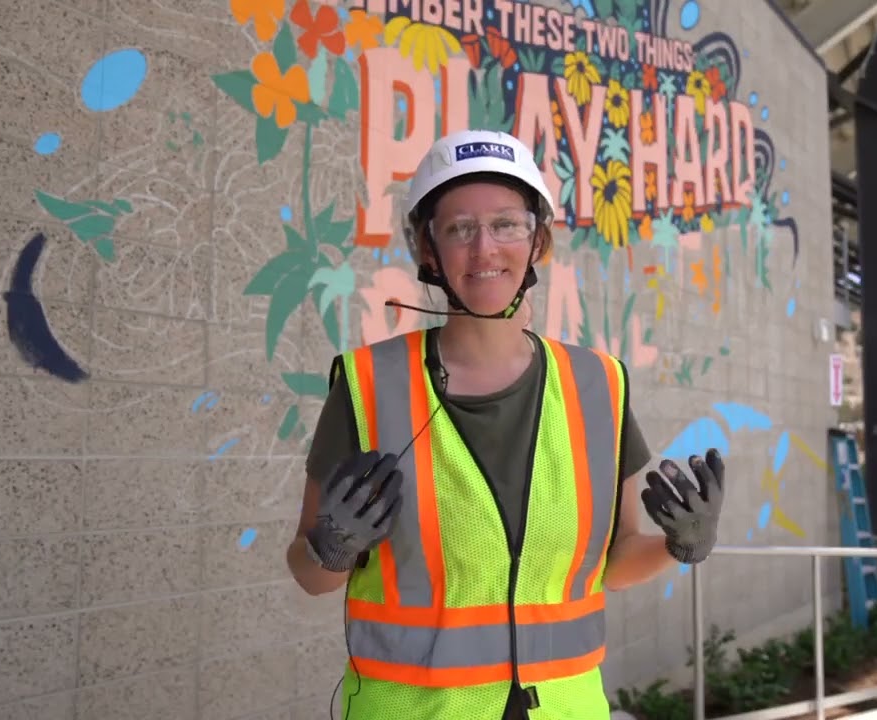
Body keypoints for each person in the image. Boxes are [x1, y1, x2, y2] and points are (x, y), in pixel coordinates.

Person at [286, 129, 727, 720]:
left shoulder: (599, 386)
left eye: (507, 224)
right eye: (459, 228)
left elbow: (615, 565)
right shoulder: (368, 387)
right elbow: (310, 576)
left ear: (538, 239)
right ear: (427, 248)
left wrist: (684, 546)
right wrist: (331, 550)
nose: (484, 248)